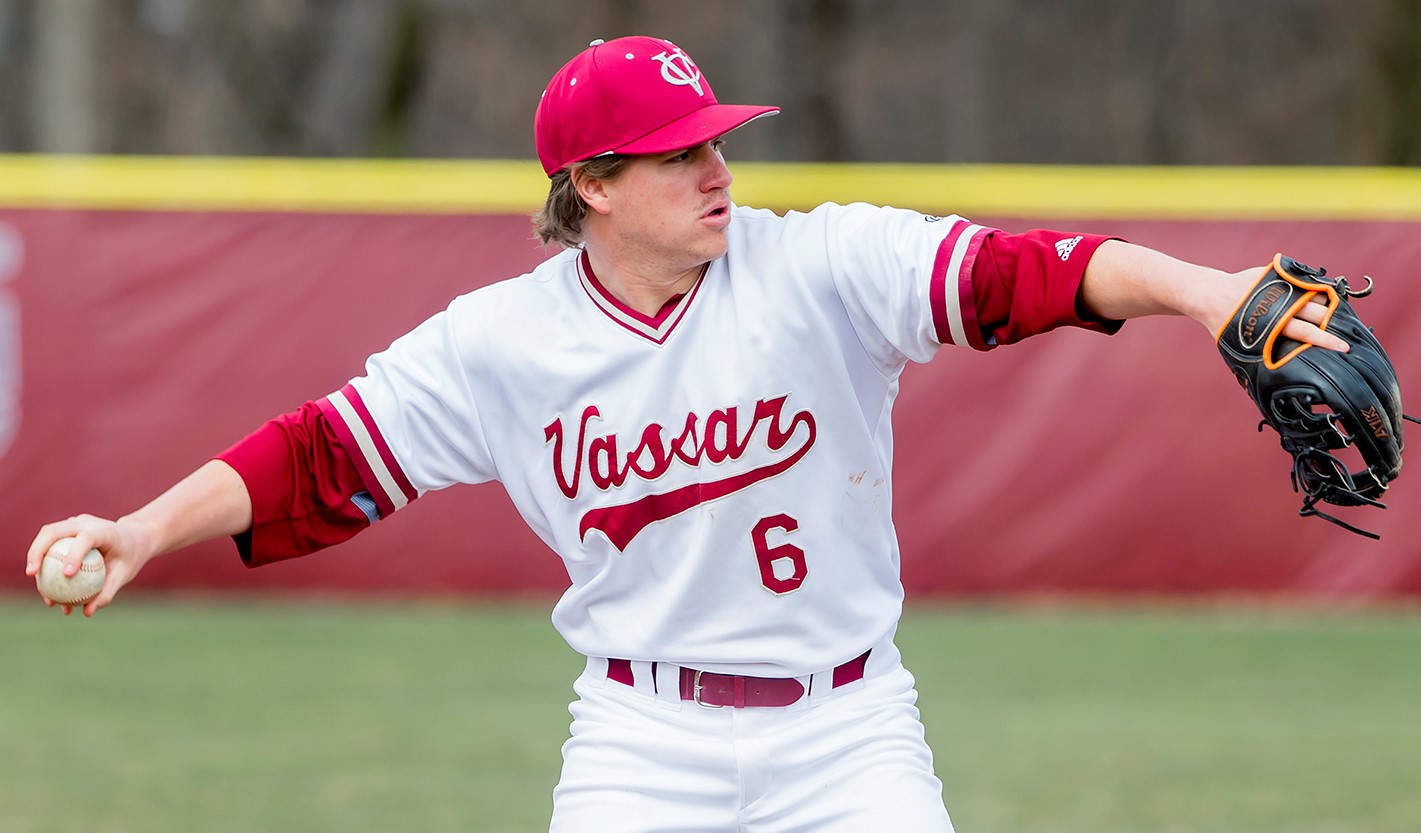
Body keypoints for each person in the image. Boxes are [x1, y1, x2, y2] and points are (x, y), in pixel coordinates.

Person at [26, 36, 1348, 832]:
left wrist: (1209, 293)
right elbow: (319, 456)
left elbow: (1030, 273)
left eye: (714, 140)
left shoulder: (820, 264)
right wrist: (138, 529)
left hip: (847, 728)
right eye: (674, 154)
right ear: (592, 188)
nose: (715, 168)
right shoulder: (502, 340)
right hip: (640, 738)